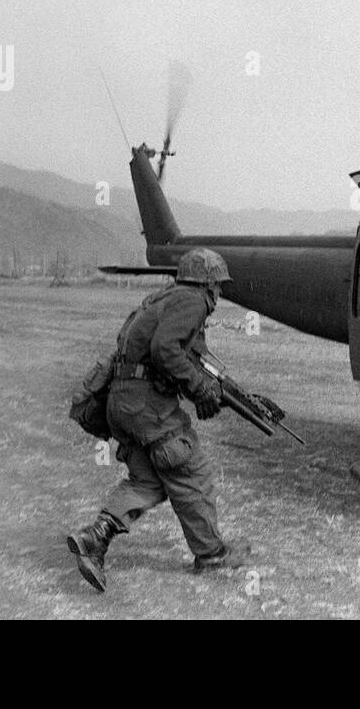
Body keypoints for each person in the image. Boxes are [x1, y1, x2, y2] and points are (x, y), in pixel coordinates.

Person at [67, 248, 249, 593]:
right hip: (146, 406)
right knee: (190, 470)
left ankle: (94, 539)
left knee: (148, 482)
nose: (219, 294)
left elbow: (169, 352)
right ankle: (211, 555)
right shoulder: (191, 300)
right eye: (218, 286)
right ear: (207, 283)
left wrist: (205, 389)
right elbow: (166, 350)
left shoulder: (160, 300)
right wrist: (200, 390)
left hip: (123, 405)